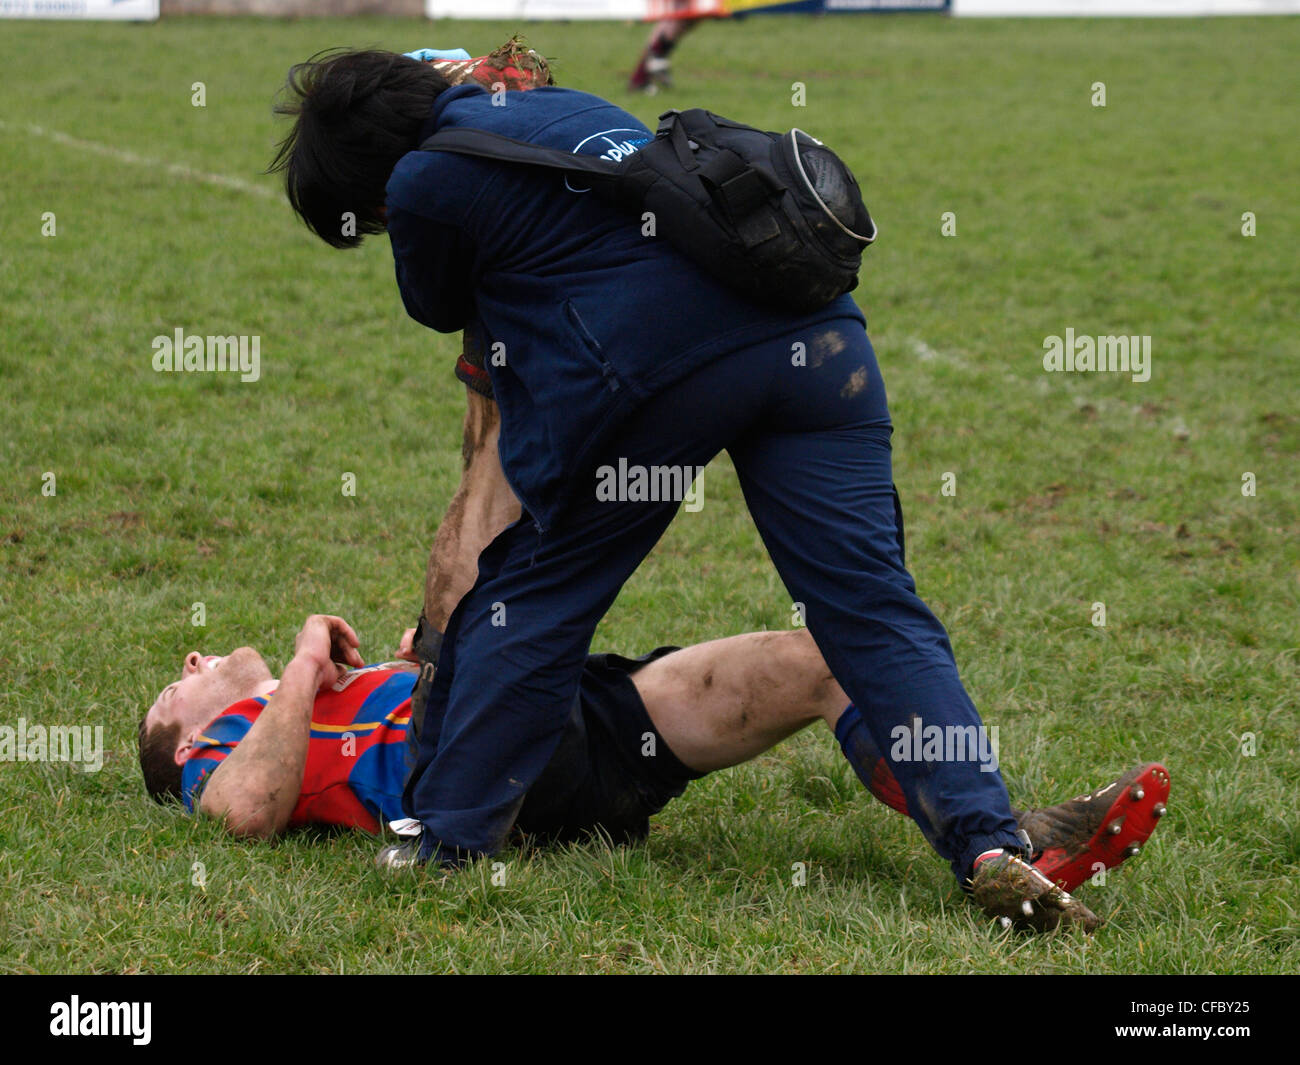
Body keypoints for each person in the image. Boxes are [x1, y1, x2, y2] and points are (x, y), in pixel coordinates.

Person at [269, 48, 1129, 930]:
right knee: (870, 605)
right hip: (815, 340)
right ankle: (990, 843)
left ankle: (446, 844)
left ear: (369, 189)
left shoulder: (422, 180)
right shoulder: (560, 106)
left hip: (661, 371)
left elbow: (438, 300)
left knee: (533, 595)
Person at [137, 612, 1170, 928]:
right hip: (503, 771)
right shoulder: (222, 758)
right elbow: (243, 814)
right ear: (187, 743)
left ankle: (998, 847)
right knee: (490, 599)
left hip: (575, 732)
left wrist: (415, 659)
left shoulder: (303, 706)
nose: (191, 665)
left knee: (814, 662)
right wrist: (311, 665)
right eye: (172, 694)